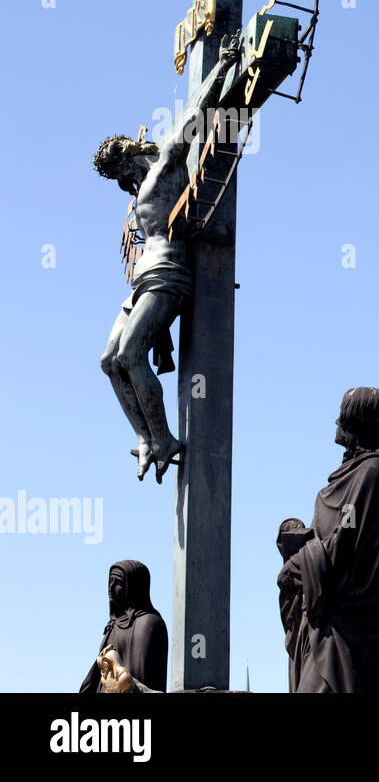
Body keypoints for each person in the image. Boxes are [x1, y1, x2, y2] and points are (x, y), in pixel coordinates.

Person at [94, 36, 240, 482]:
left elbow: (195, 112)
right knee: (109, 360)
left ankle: (164, 437)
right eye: (116, 168)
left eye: (121, 155)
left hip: (168, 274)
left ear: (132, 149)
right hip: (142, 281)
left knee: (132, 352)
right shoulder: (139, 194)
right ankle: (146, 437)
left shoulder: (165, 167)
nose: (124, 165)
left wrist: (224, 65)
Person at [277, 388, 379, 692]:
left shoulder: (376, 473)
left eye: (345, 415)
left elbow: (344, 547)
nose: (337, 423)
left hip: (352, 632)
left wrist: (299, 561)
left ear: (363, 421)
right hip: (329, 625)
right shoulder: (355, 475)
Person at [80, 560, 167, 693]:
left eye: (118, 583)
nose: (111, 588)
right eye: (110, 582)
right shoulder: (113, 626)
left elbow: (142, 679)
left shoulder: (148, 623)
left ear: (134, 587)